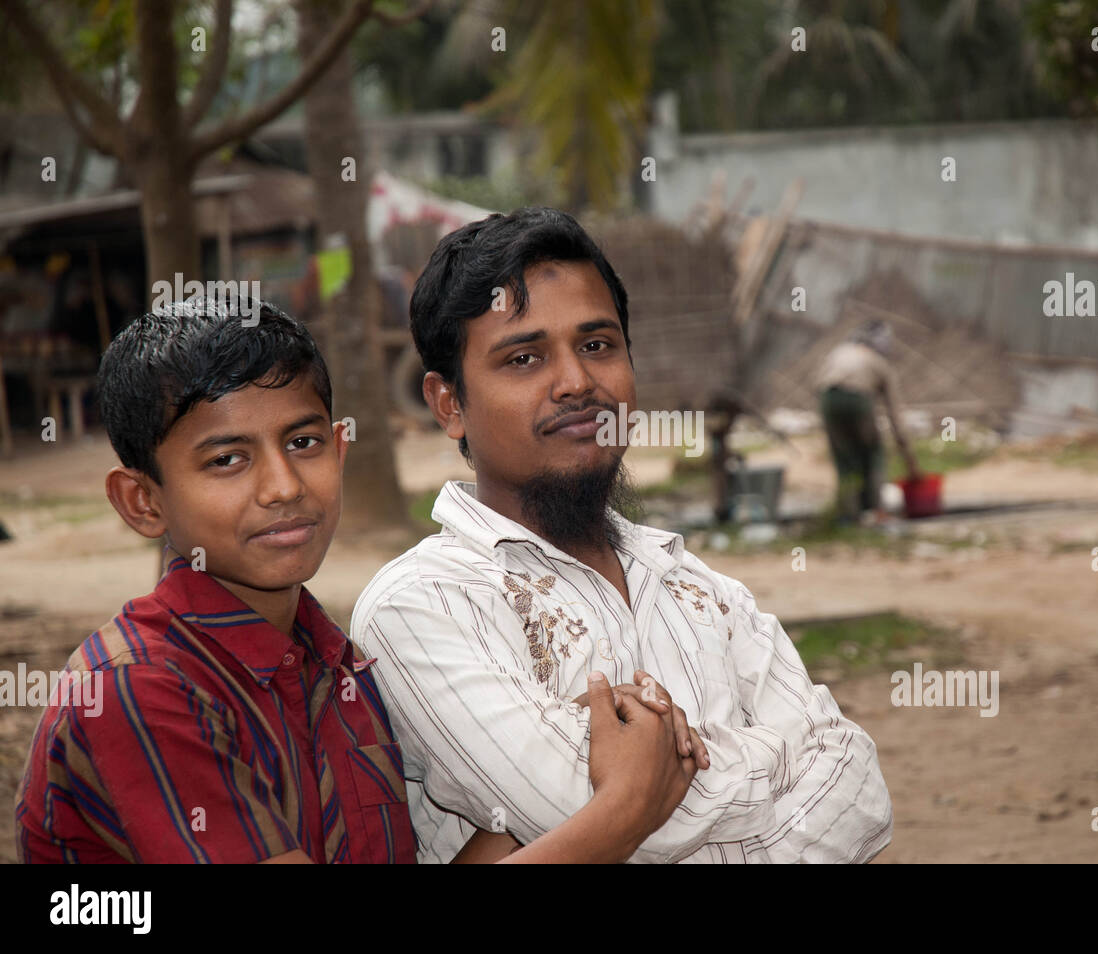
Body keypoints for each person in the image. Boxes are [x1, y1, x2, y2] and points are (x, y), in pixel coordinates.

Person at [15, 298, 700, 864]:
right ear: (143, 501)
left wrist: (579, 746)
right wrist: (621, 812)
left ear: (340, 450)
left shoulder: (337, 665)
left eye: (304, 443)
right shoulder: (137, 688)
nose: (283, 487)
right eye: (227, 459)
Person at [351, 207, 893, 863]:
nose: (577, 382)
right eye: (523, 358)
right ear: (449, 405)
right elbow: (575, 807)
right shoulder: (423, 606)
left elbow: (858, 786)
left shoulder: (704, 590)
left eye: (597, 345)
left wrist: (660, 780)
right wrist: (774, 761)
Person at [816, 321, 920, 524]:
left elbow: (818, 382)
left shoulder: (840, 351)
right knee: (874, 453)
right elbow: (895, 416)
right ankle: (877, 510)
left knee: (845, 459)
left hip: (827, 398)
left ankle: (848, 515)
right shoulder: (879, 363)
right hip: (858, 399)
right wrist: (910, 462)